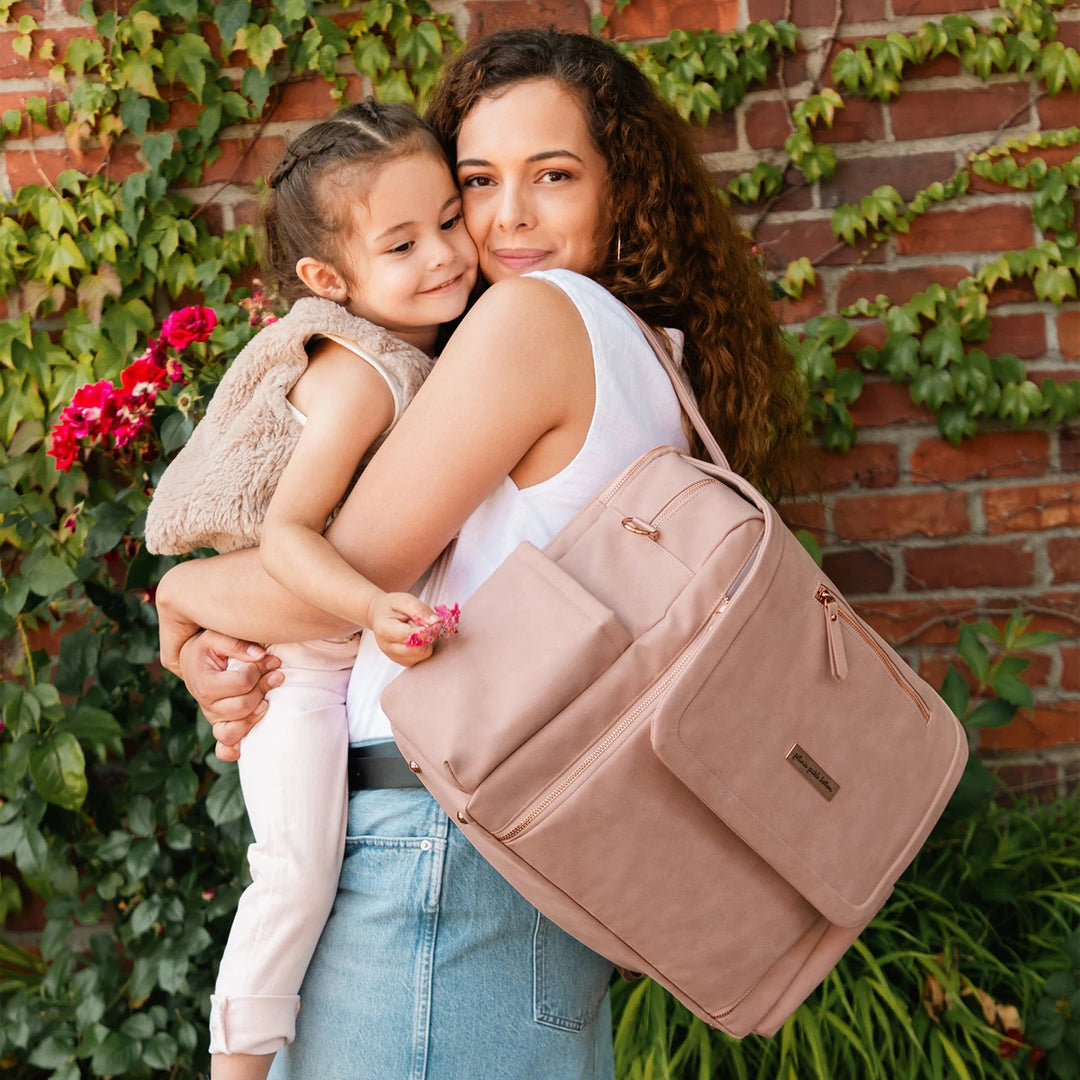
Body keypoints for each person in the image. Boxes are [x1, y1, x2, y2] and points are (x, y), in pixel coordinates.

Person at [155, 28, 805, 1080]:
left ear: (620, 190)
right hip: (500, 869)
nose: (505, 218)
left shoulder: (533, 322)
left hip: (441, 869)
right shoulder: (643, 344)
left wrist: (178, 594)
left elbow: (323, 587)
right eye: (476, 183)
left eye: (553, 175)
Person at [144, 100, 477, 1080]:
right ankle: (236, 1071)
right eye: (404, 242)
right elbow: (288, 530)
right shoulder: (362, 374)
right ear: (330, 281)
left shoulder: (417, 347)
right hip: (297, 658)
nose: (446, 254)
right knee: (291, 869)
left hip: (326, 655)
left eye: (450, 220)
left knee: (304, 866)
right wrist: (371, 604)